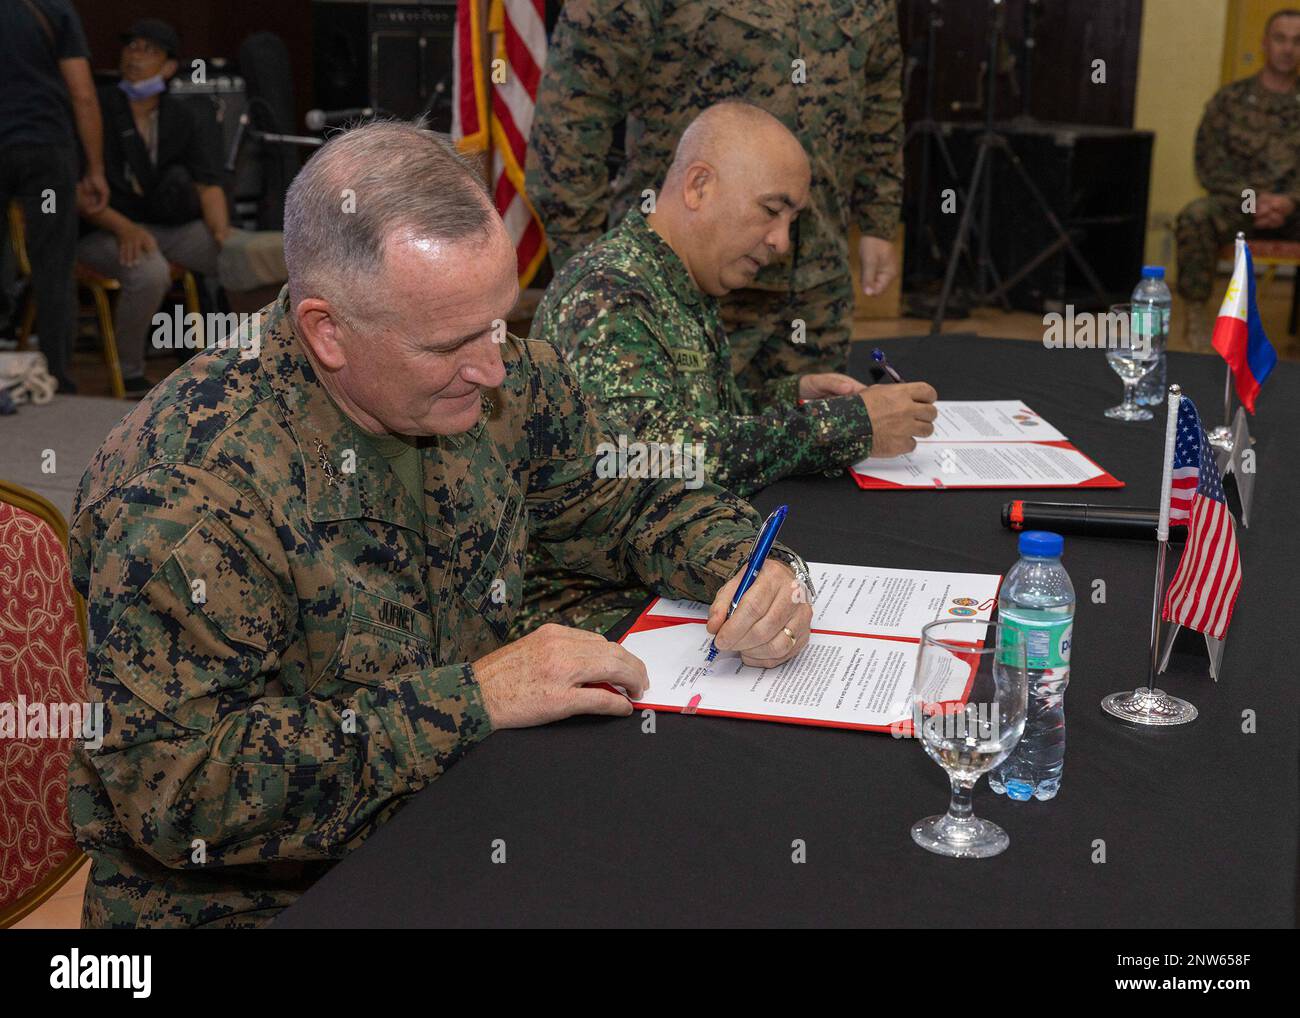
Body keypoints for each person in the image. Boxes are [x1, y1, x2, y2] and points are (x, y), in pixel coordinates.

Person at [68, 121, 813, 928]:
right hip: (267, 896)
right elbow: (183, 792)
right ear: (328, 332)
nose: (493, 367)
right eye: (451, 343)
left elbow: (626, 500)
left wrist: (747, 564)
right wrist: (474, 699)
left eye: (500, 322)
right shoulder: (187, 494)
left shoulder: (498, 381)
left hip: (472, 808)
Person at [518, 103, 936, 635]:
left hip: (664, 570)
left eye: (792, 221)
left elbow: (697, 417)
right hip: (593, 608)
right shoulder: (608, 293)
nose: (782, 242)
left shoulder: (674, 282)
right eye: (770, 210)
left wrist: (792, 395)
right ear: (698, 187)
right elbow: (654, 460)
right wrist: (845, 426)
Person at [524, 0, 903, 391]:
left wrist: (879, 218)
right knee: (669, 448)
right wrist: (590, 268)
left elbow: (881, 97)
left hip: (815, 282)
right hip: (676, 284)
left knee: (811, 433)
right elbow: (572, 114)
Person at [76, 18, 230, 395]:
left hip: (168, 226)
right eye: (131, 47)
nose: (135, 55)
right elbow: (78, 194)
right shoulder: (98, 107)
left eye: (148, 50)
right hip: (102, 228)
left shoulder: (182, 115)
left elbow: (207, 184)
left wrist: (225, 236)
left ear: (168, 66)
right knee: (150, 271)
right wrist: (125, 228)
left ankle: (243, 362)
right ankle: (129, 371)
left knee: (238, 258)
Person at [1175, 8, 1300, 348]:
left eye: (1297, 41)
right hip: (1239, 203)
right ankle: (1197, 321)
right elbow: (1209, 163)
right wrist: (1253, 198)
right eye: (1280, 39)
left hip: (1294, 209)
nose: (1288, 48)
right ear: (1264, 44)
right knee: (1195, 217)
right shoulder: (1229, 100)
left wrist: (1290, 200)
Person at [0, 0, 108, 393]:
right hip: (44, 149)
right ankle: (56, 375)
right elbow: (82, 94)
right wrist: (94, 168)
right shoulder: (54, 9)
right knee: (53, 262)